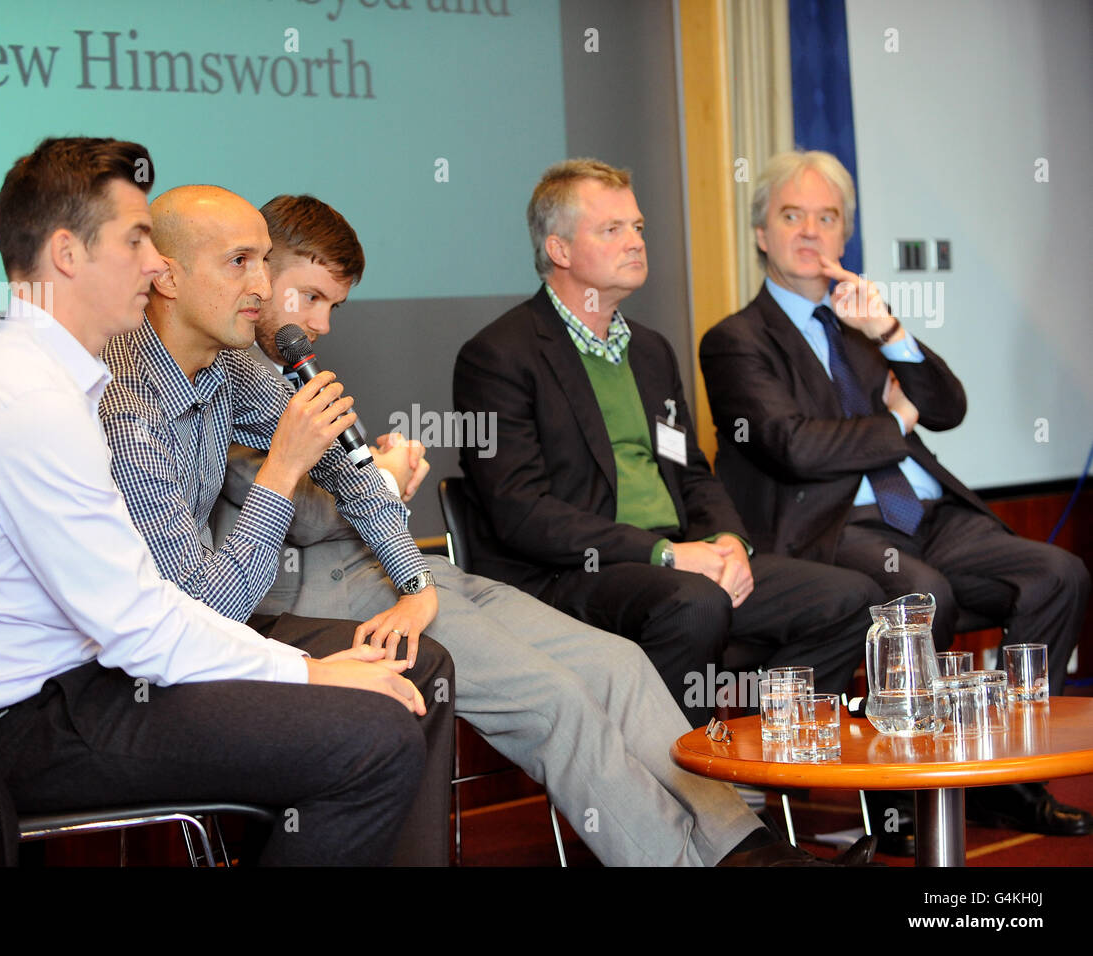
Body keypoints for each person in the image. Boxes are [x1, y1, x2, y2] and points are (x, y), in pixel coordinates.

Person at [198, 193, 875, 866]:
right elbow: (288, 506)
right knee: (555, 698)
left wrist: (376, 473)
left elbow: (338, 487)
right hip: (320, 597)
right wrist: (372, 475)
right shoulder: (222, 371)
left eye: (330, 306)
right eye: (307, 297)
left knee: (619, 665)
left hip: (406, 568)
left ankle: (748, 849)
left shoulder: (281, 368)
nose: (316, 324)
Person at [0, 137, 429, 866]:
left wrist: (378, 613)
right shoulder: (32, 405)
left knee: (398, 682)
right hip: (36, 720)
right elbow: (141, 626)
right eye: (136, 239)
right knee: (377, 733)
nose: (154, 264)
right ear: (67, 254)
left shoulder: (48, 382)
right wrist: (310, 672)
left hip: (90, 677)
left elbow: (142, 605)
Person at [698, 148, 1092, 838]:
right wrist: (895, 419)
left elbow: (948, 406)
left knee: (1058, 573)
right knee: (923, 594)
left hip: (926, 512)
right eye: (794, 216)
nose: (812, 232)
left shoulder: (860, 327)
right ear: (761, 233)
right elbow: (794, 447)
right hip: (831, 525)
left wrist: (890, 331)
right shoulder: (735, 340)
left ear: (844, 237)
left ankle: (1011, 782)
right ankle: (899, 798)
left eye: (828, 218)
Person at [453, 158, 881, 729]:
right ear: (558, 250)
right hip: (567, 576)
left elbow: (692, 472)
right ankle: (679, 794)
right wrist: (667, 555)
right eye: (612, 230)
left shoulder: (651, 351)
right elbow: (521, 513)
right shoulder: (499, 356)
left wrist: (729, 542)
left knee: (851, 599)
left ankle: (768, 762)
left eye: (638, 227)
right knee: (695, 603)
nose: (634, 242)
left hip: (677, 559)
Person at [97, 184, 453, 866]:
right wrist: (283, 468)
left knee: (419, 660)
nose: (262, 285)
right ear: (165, 276)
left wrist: (415, 582)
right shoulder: (127, 407)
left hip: (204, 630)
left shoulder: (231, 364)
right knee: (367, 723)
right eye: (239, 262)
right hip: (144, 668)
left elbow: (349, 465)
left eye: (265, 261)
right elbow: (203, 613)